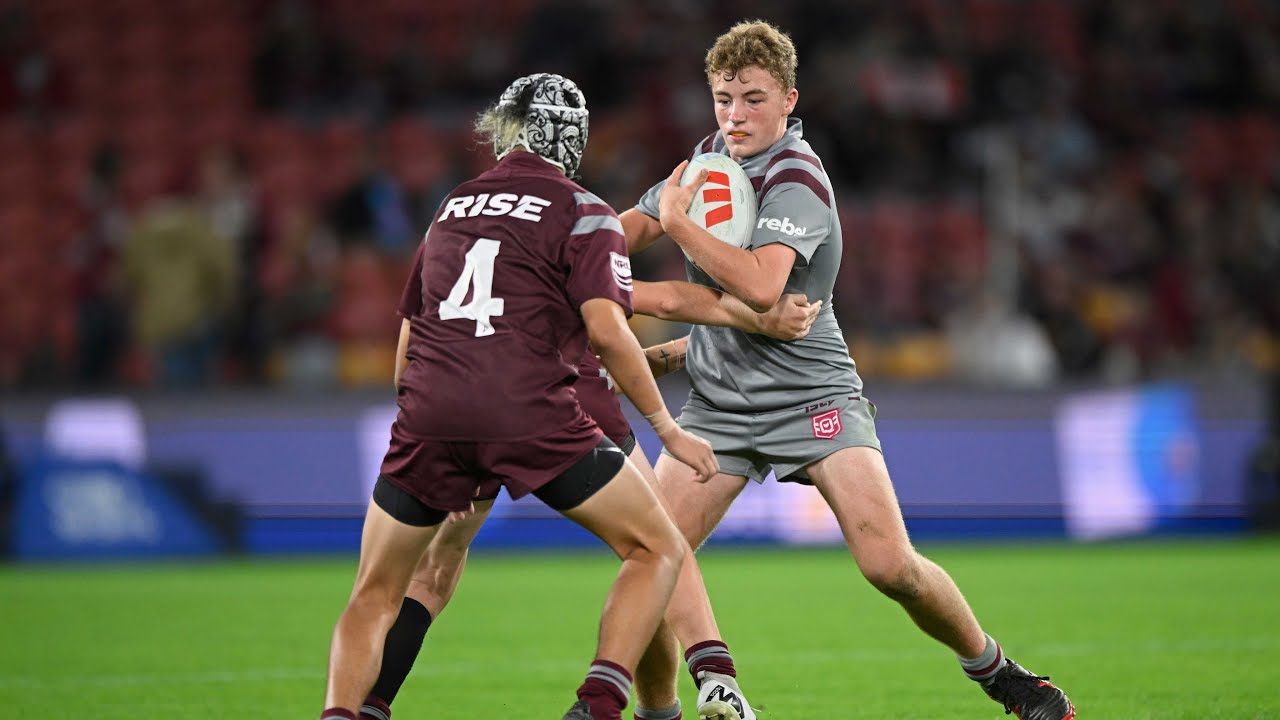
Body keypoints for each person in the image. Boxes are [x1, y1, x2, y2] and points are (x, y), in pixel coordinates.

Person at [619, 21, 1077, 720]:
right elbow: (627, 234)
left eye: (751, 99)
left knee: (889, 565)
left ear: (788, 100)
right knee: (652, 555)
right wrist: (558, 250)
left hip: (811, 395)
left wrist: (679, 227)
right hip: (717, 398)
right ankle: (666, 711)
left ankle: (999, 672)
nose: (734, 116)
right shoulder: (708, 159)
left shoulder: (799, 179)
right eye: (722, 99)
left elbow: (763, 288)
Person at [318, 72, 722, 720]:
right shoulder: (585, 209)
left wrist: (449, 435)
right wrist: (668, 430)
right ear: (576, 140)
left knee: (377, 592)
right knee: (658, 549)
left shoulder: (450, 206)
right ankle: (599, 702)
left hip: (432, 411)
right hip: (525, 409)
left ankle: (351, 714)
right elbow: (608, 332)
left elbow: (404, 357)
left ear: (503, 129)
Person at [356, 272, 822, 720]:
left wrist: (420, 415)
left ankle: (367, 709)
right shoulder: (576, 214)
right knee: (656, 541)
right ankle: (698, 681)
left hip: (457, 389)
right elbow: (649, 307)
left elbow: (409, 343)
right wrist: (749, 324)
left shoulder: (452, 218)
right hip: (559, 381)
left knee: (432, 571)